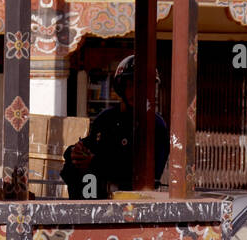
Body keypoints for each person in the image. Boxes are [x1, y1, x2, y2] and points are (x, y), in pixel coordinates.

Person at [61, 54, 169, 199]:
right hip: (96, 197)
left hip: (133, 202)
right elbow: (91, 144)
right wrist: (75, 152)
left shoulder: (155, 125)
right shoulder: (106, 118)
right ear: (121, 87)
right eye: (130, 85)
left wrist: (95, 162)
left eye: (141, 86)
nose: (135, 92)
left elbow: (148, 173)